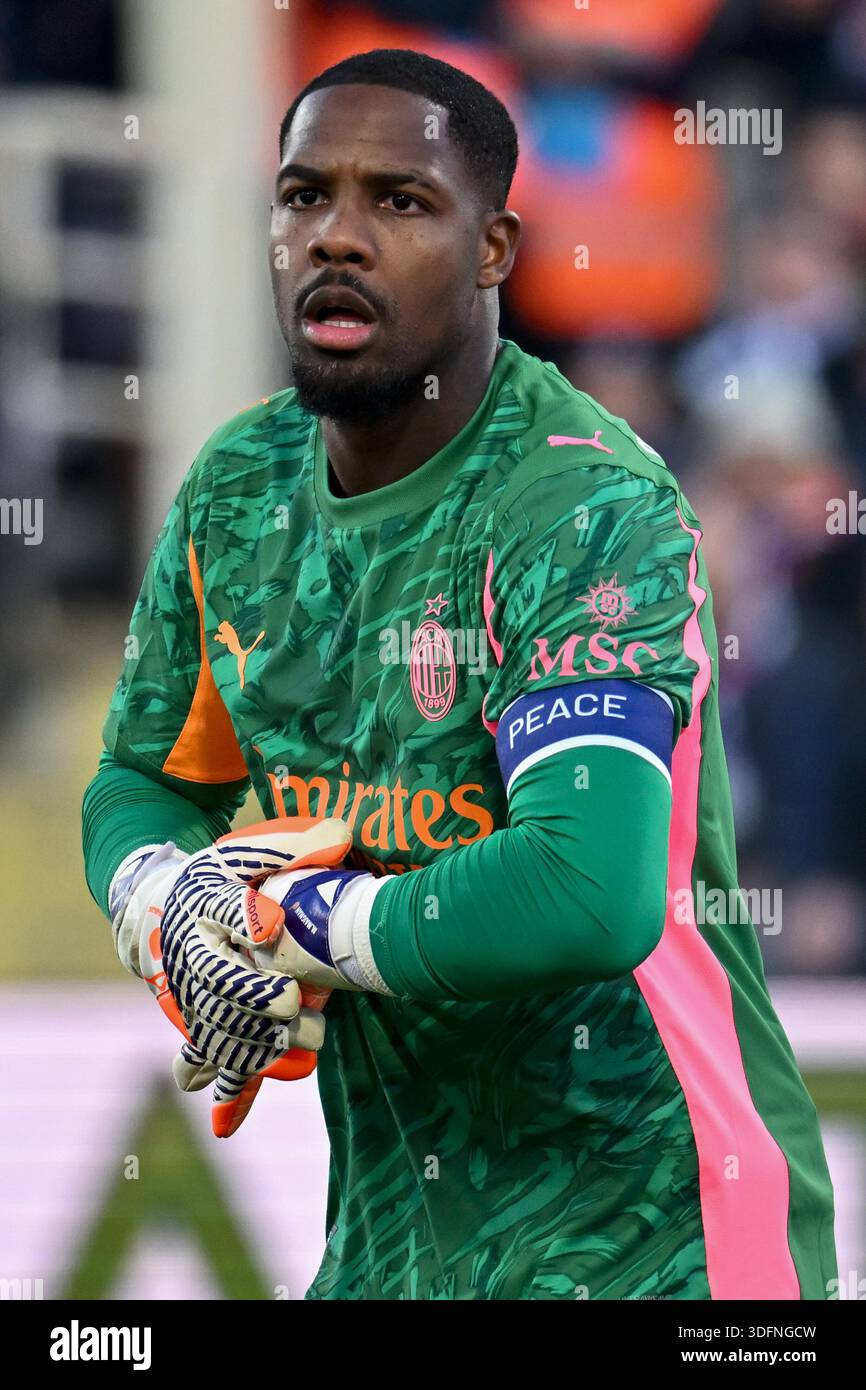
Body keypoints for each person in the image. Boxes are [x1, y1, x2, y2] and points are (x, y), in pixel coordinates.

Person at [82, 48, 836, 1301]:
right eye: (304, 195)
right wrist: (167, 904)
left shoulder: (579, 502)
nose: (336, 236)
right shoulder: (235, 490)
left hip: (660, 1238)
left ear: (493, 250)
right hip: (392, 1243)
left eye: (399, 201)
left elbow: (585, 889)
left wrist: (291, 926)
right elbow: (144, 777)